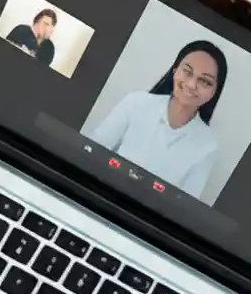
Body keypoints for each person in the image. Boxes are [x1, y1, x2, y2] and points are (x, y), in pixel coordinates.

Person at [88, 40, 228, 200]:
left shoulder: (208, 145)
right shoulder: (136, 102)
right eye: (187, 72)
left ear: (214, 92)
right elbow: (92, 150)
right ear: (175, 70)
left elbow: (186, 204)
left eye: (205, 81)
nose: (191, 84)